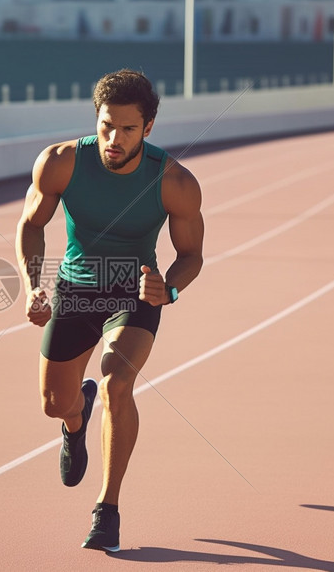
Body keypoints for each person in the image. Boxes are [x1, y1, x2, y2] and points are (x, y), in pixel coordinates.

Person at [15, 69, 204, 552]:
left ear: (149, 127)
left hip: (134, 294)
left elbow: (191, 256)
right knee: (53, 404)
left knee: (118, 380)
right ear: (95, 119)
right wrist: (33, 287)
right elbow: (31, 224)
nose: (113, 139)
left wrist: (171, 289)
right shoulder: (60, 162)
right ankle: (74, 422)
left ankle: (107, 508)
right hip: (75, 289)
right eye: (105, 126)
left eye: (127, 129)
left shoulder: (174, 182)